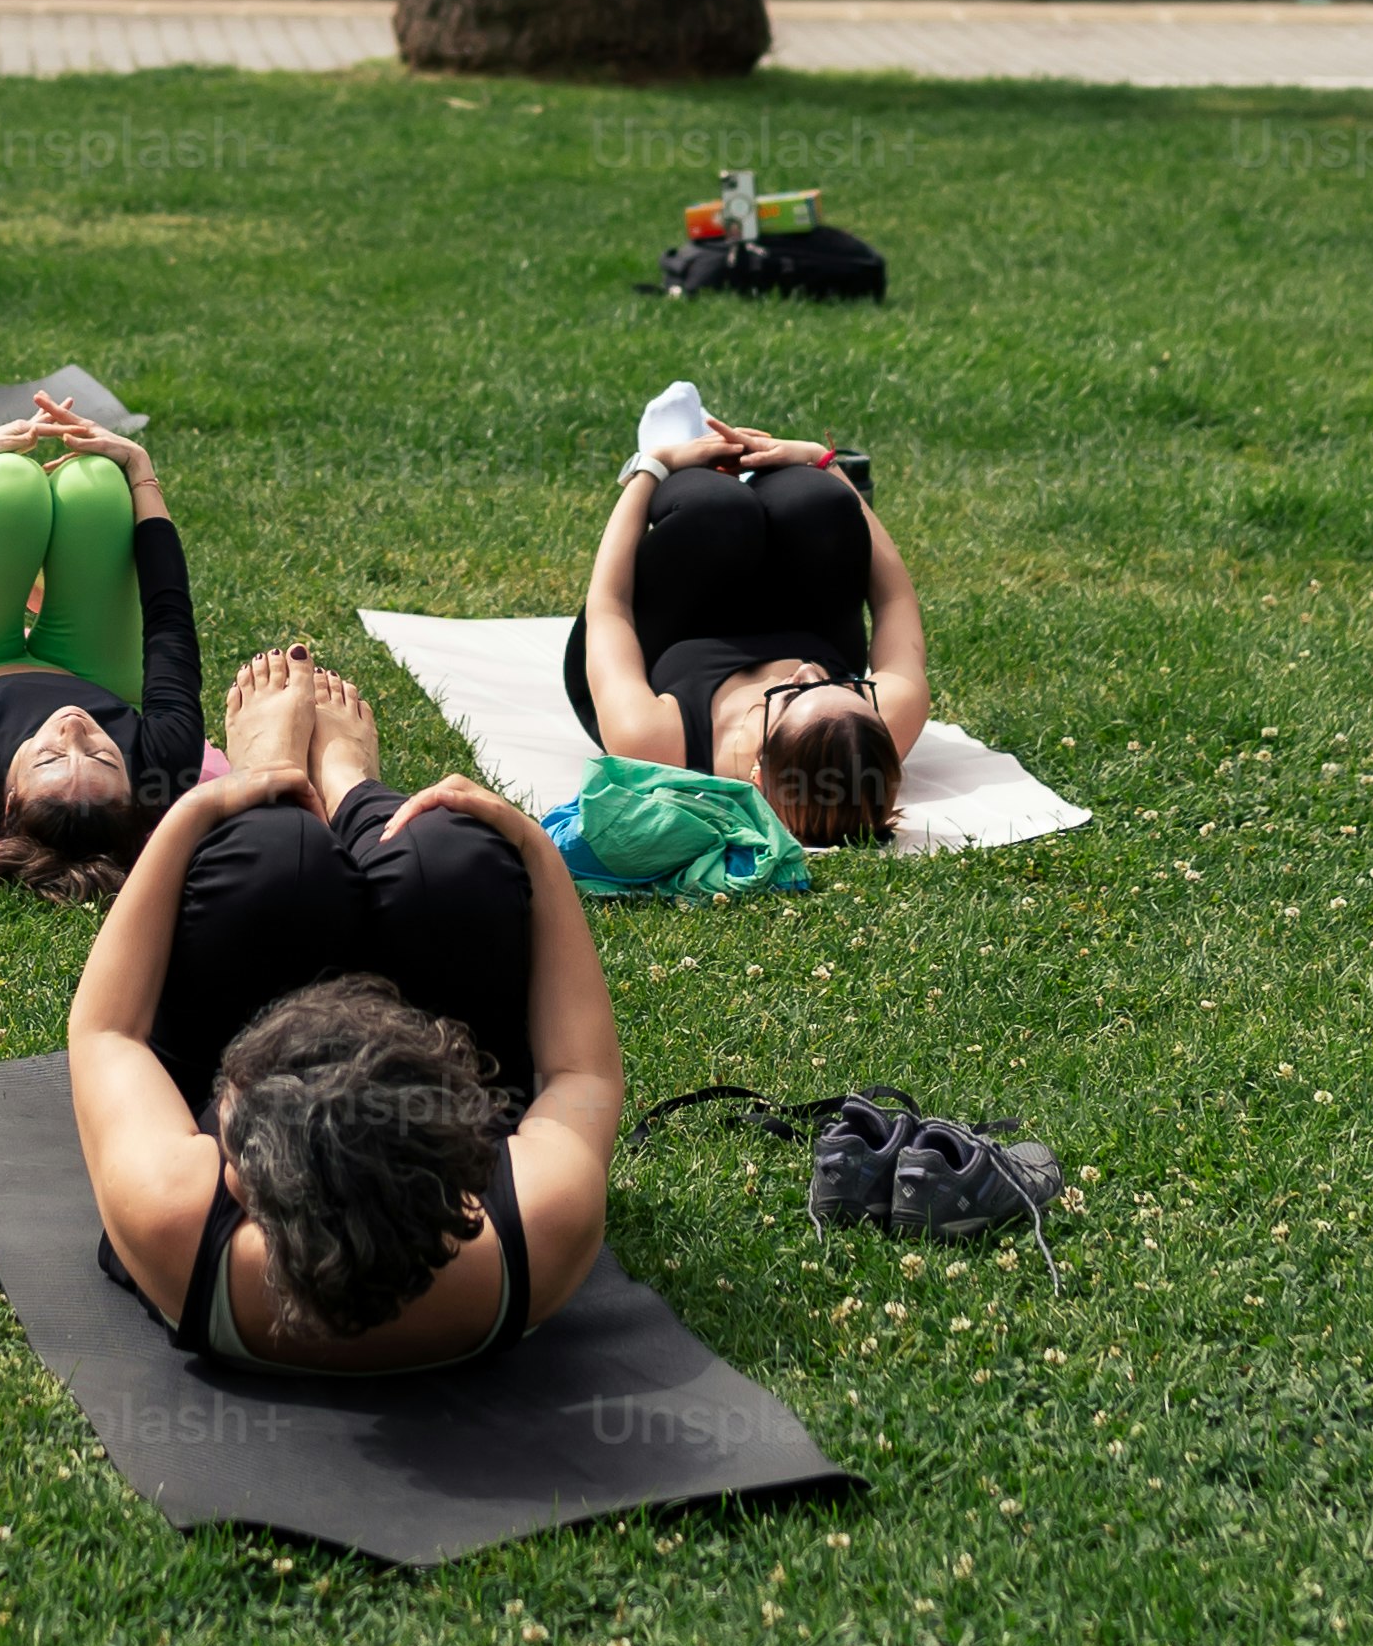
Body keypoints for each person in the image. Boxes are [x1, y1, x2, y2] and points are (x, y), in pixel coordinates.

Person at [66, 647, 620, 1373]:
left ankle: (272, 783)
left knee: (275, 863)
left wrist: (199, 809)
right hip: (433, 1020)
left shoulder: (175, 1218)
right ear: (467, 1146)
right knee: (450, 867)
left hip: (267, 936)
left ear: (235, 1177)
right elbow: (582, 1070)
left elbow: (105, 1028)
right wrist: (531, 848)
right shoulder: (539, 1221)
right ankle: (351, 787)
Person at [0, 392, 204, 896]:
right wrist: (140, 469)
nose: (75, 729)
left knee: (7, 483)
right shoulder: (165, 767)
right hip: (98, 672)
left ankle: (28, 576)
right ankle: (47, 584)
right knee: (95, 485)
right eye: (104, 758)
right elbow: (169, 617)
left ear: (9, 799)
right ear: (136, 792)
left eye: (49, 759)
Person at [568, 406, 925, 850]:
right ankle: (758, 477)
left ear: (758, 771)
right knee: (820, 504)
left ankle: (688, 449)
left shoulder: (655, 740)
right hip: (795, 614)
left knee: (716, 511)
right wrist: (824, 464)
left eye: (793, 695)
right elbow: (894, 600)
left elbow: (610, 607)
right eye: (847, 688)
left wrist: (651, 468)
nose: (809, 672)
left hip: (671, 635)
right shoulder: (869, 729)